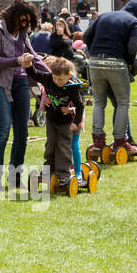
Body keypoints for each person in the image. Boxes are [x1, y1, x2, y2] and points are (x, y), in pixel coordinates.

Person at [0, 0, 41, 190]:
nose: (24, 25)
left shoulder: (22, 33)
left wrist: (52, 73)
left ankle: (15, 178)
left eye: (27, 22)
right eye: (21, 20)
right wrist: (18, 61)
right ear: (12, 17)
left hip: (20, 82)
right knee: (3, 129)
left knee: (22, 131)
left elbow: (33, 56)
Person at [82, 0, 137, 160]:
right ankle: (120, 140)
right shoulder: (134, 22)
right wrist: (128, 61)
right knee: (122, 103)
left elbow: (85, 36)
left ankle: (98, 140)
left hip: (95, 62)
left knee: (99, 102)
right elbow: (133, 47)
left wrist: (94, 52)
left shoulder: (104, 16)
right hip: (116, 62)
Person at [36, 55, 85, 194]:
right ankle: (48, 169)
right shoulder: (50, 82)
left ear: (69, 75)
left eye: (61, 79)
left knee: (64, 147)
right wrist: (27, 65)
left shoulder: (73, 88)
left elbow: (80, 106)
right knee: (50, 144)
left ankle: (64, 175)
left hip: (67, 123)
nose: (58, 81)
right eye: (55, 78)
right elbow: (36, 75)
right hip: (52, 120)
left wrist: (76, 121)